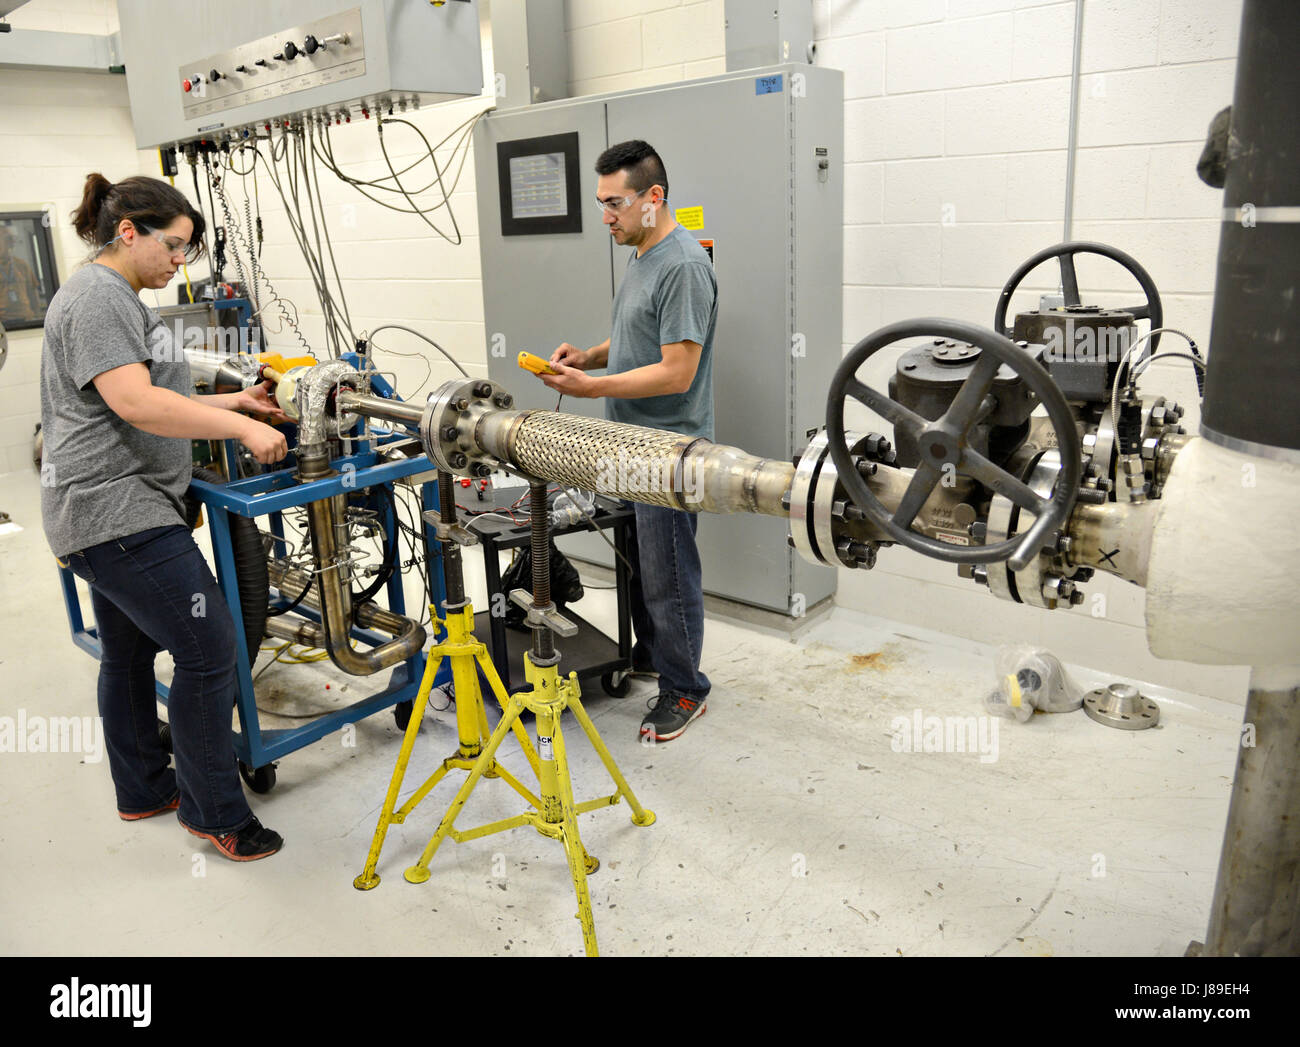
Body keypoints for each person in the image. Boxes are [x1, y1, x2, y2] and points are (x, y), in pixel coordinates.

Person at [41, 173, 289, 861]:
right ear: (129, 232)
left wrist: (236, 406)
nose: (180, 261)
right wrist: (240, 434)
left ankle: (145, 787)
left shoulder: (113, 293)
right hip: (117, 509)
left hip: (100, 506)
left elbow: (154, 383)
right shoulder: (97, 298)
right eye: (174, 246)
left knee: (127, 652)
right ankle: (217, 814)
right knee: (209, 651)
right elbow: (135, 403)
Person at [539, 140, 718, 743]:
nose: (606, 217)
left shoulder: (684, 266)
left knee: (668, 574)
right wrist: (589, 355)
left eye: (615, 203)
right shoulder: (642, 254)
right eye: (602, 204)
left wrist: (591, 389)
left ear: (653, 197)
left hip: (665, 450)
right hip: (626, 443)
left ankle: (686, 686)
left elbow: (677, 371)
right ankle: (653, 656)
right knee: (640, 567)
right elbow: (640, 341)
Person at [0, 225, 44, 325]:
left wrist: (36, 317)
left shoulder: (22, 265)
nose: (11, 242)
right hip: (4, 323)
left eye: (11, 238)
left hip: (26, 319)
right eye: (6, 239)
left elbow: (33, 293)